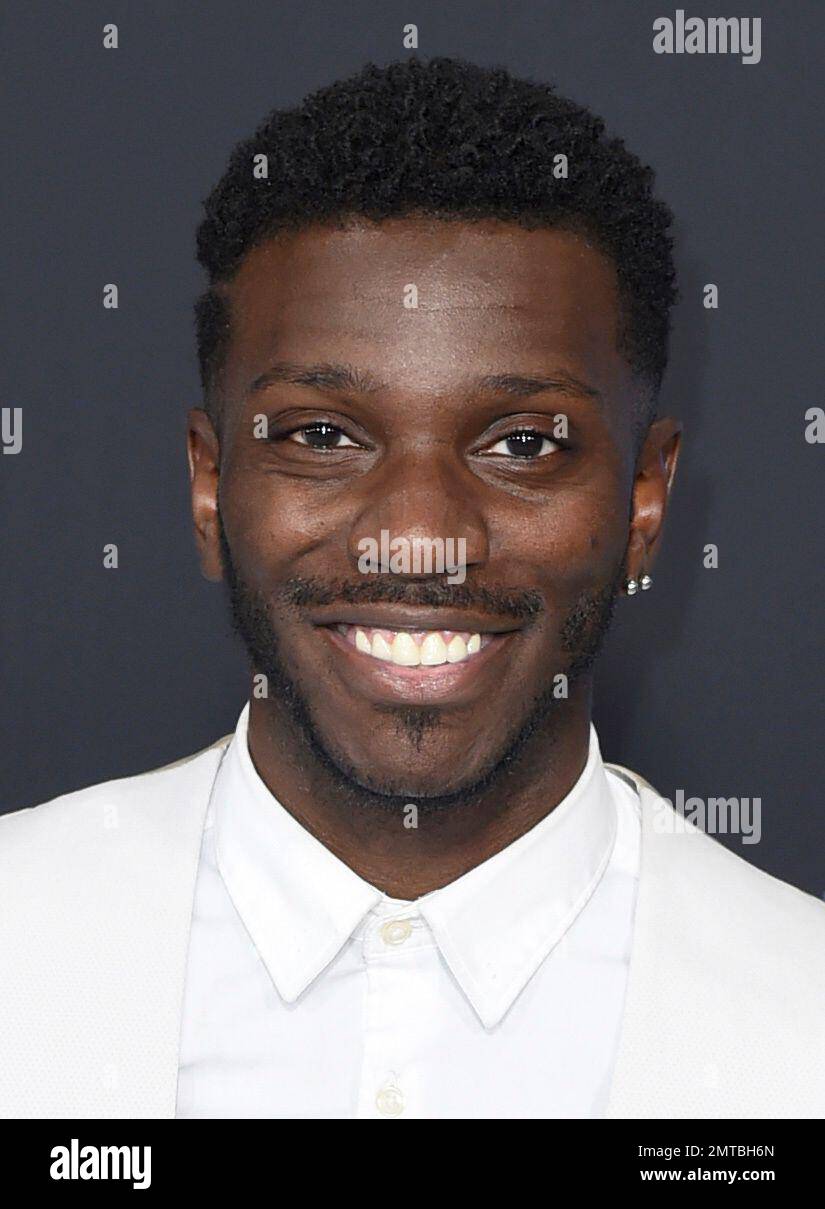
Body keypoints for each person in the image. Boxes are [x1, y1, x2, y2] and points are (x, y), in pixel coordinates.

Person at [2, 57, 823, 1120]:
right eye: (321, 437)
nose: (419, 540)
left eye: (523, 443)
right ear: (209, 487)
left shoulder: (799, 1019)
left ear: (644, 503)